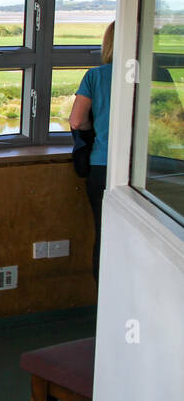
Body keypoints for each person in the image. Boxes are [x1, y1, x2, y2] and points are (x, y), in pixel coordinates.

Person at [68, 21, 114, 285]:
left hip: (103, 166)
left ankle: (106, 307)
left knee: (104, 235)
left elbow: (76, 121)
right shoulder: (158, 74)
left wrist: (94, 127)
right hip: (148, 167)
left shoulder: (95, 76)